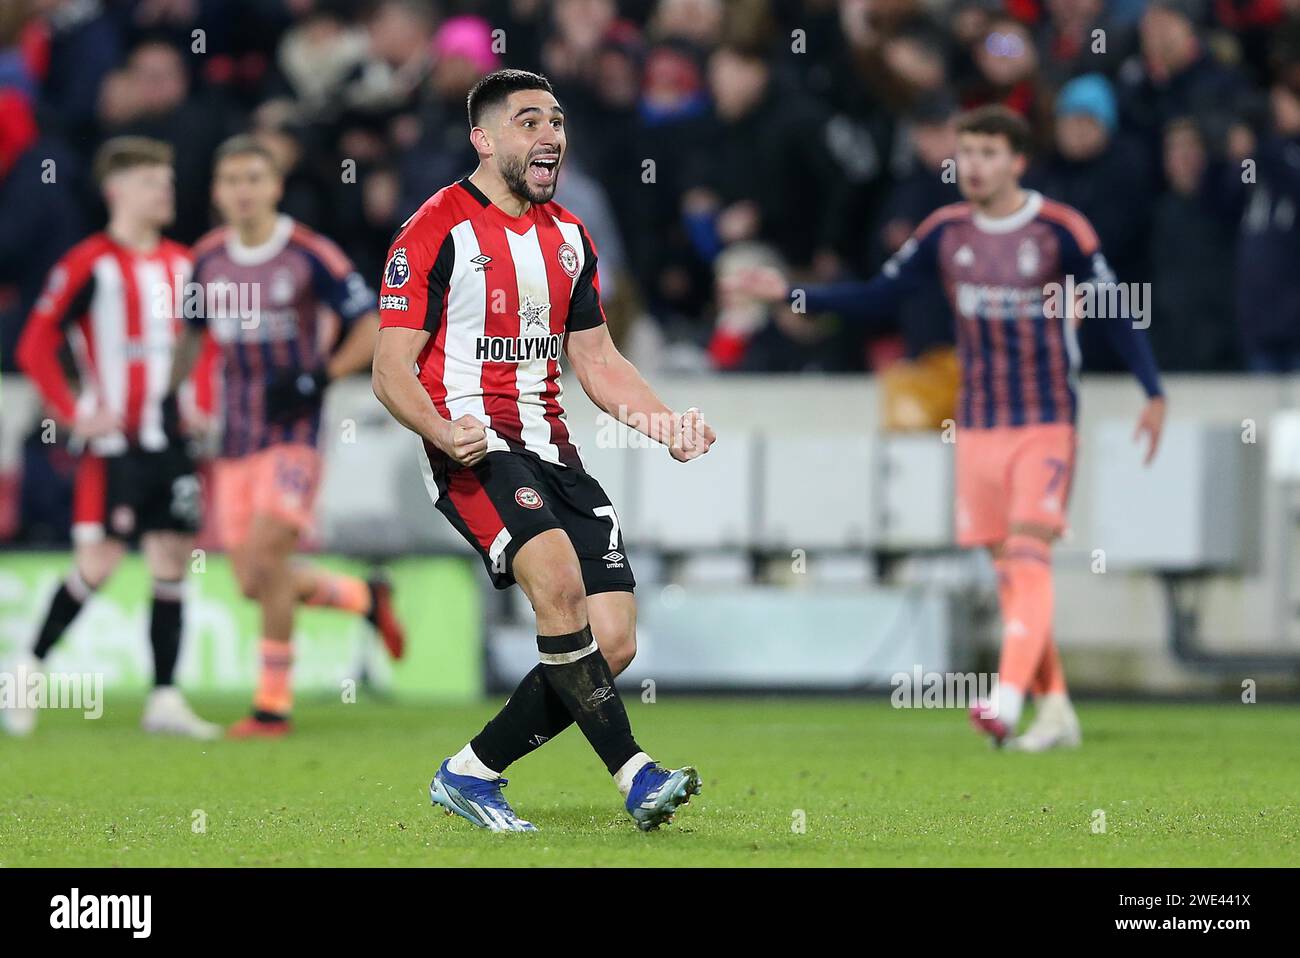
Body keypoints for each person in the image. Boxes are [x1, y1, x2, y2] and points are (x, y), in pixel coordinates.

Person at [731, 106, 1167, 752]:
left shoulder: (1058, 229)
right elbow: (879, 295)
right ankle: (1055, 711)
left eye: (989, 153)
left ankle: (1006, 696)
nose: (975, 165)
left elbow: (1113, 309)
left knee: (1029, 555)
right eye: (967, 153)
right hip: (978, 423)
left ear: (1017, 162)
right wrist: (794, 295)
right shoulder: (945, 231)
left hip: (1045, 420)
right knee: (1011, 573)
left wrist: (1152, 389)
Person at [371, 69, 715, 831]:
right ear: (484, 139)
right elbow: (389, 368)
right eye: (529, 121)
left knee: (612, 642)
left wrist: (663, 424)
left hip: (554, 451)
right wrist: (438, 429)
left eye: (556, 120)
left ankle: (471, 771)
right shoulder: (434, 229)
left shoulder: (570, 237)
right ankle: (635, 773)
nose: (550, 135)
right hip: (474, 449)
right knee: (556, 583)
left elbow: (597, 361)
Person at [169, 135, 405, 739]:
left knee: (270, 557)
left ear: (274, 186)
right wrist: (169, 401)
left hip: (294, 433)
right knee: (254, 580)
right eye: (231, 182)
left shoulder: (309, 254)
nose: (243, 192)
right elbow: (191, 336)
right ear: (218, 193)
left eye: (254, 179)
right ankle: (362, 598)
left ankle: (271, 706)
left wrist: (318, 375)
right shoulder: (207, 260)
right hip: (234, 438)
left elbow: (371, 325)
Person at [6, 137, 217, 739]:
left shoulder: (185, 263)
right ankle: (24, 672)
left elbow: (201, 342)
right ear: (117, 190)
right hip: (114, 443)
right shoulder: (88, 262)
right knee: (98, 560)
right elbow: (34, 342)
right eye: (153, 182)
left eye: (168, 182)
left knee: (171, 558)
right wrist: (73, 413)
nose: (166, 192)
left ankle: (165, 699)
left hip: (171, 440)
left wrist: (200, 401)